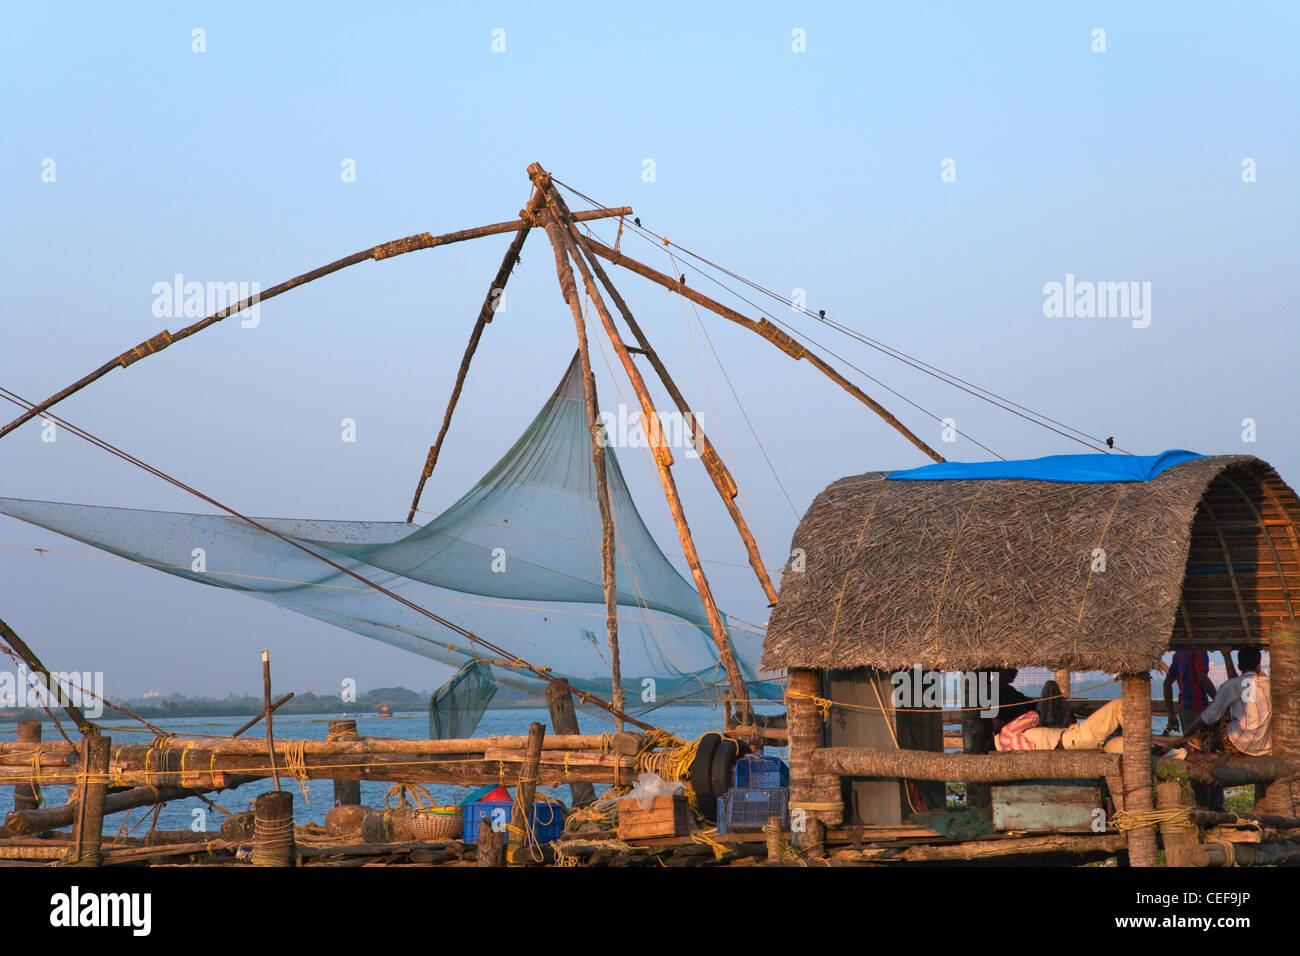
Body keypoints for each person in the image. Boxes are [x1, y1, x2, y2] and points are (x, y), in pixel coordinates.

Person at [1166, 647, 1271, 756]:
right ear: (1259, 666)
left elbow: (1210, 715)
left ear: (1239, 666)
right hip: (1265, 746)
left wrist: (1189, 730)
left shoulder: (1231, 685)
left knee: (1202, 733)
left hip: (1239, 744)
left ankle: (1184, 748)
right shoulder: (1269, 685)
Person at [994, 695, 1126, 753]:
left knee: (1125, 746)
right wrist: (1014, 721)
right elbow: (1033, 716)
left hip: (1075, 743)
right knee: (1118, 705)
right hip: (1075, 738)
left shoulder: (1005, 745)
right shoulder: (1006, 734)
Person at [1163, 649, 1215, 735]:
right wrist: (1218, 699)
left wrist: (1171, 713)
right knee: (1201, 744)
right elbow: (1202, 678)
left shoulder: (1178, 654)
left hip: (1184, 710)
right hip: (1198, 708)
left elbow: (1167, 683)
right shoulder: (1199, 651)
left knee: (1190, 743)